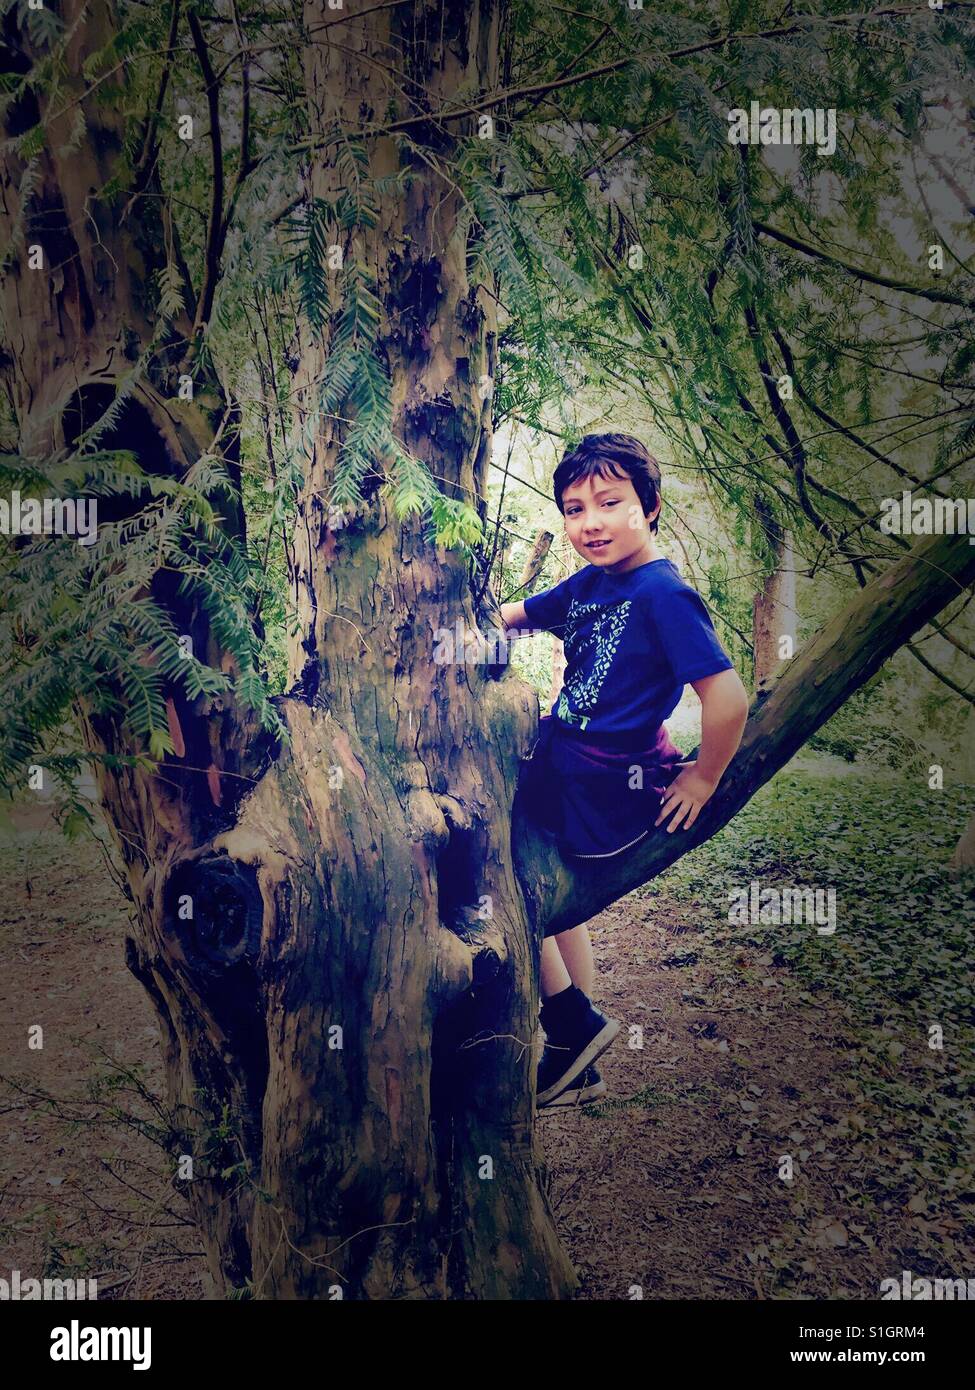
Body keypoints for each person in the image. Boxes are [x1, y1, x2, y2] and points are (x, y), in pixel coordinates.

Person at [499, 433, 749, 1108]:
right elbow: (517, 617)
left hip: (606, 782)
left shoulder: (662, 595)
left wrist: (703, 778)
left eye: (610, 502)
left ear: (651, 506)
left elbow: (726, 700)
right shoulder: (589, 584)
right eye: (575, 508)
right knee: (551, 892)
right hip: (569, 764)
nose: (591, 522)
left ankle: (570, 1023)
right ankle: (577, 1047)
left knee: (498, 873)